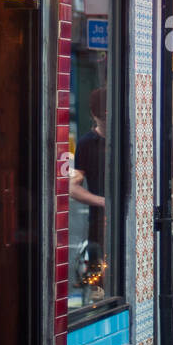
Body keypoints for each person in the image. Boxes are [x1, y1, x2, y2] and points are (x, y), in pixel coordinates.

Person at [71, 87, 108, 293]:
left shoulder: (125, 137)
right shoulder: (86, 143)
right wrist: (102, 201)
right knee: (100, 280)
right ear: (94, 115)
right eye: (104, 116)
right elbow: (72, 188)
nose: (108, 120)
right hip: (99, 224)